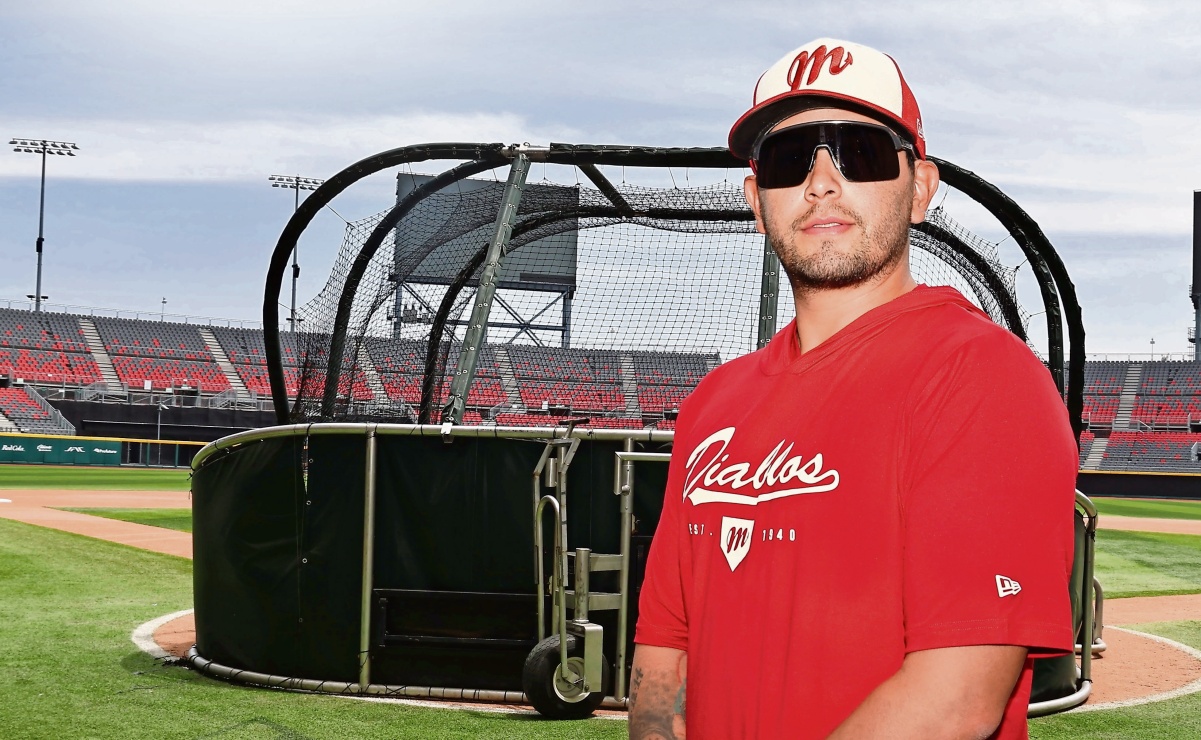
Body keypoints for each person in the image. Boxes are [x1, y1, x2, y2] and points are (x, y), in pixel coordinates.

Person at [629, 38, 1078, 739]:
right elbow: (664, 661)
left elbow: (954, 702)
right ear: (756, 200)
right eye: (788, 160)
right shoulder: (712, 403)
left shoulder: (982, 378)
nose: (820, 183)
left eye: (858, 152)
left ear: (920, 188)